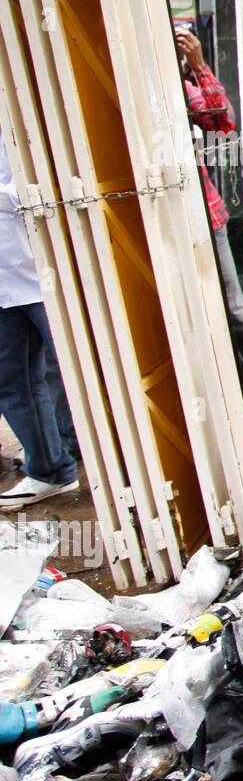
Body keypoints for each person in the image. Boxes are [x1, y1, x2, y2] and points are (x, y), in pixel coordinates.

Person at [175, 28, 243, 437]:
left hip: (206, 215)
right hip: (167, 219)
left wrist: (198, 65)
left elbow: (223, 125)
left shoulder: (186, 80)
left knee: (234, 312)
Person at [0, 139, 80, 510]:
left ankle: (134, 463)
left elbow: (48, 185)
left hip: (47, 270)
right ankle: (50, 471)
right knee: (15, 382)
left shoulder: (19, 112)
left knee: (86, 368)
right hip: (5, 280)